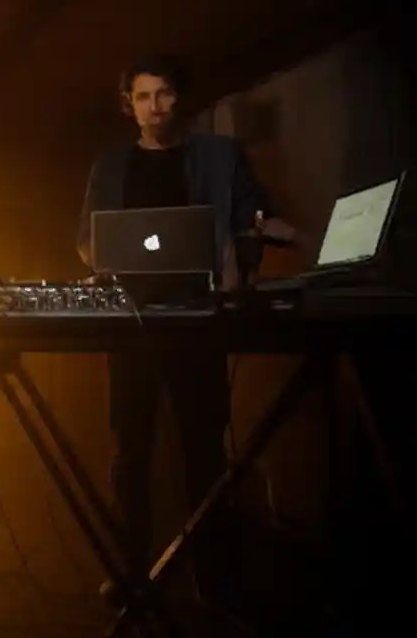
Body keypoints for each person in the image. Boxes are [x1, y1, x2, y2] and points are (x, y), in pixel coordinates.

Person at [75, 55, 295, 606]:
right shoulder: (110, 166)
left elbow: (254, 212)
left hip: (200, 318)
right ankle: (130, 573)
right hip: (130, 322)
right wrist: (102, 262)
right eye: (145, 97)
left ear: (180, 99)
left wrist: (270, 231)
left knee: (204, 448)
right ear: (130, 105)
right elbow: (87, 239)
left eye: (166, 95)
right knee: (131, 449)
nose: (156, 108)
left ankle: (215, 575)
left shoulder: (220, 157)